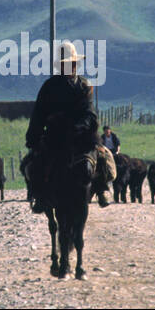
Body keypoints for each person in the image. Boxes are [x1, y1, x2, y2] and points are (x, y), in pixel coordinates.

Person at [25, 41, 103, 212]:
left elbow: (90, 114)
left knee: (104, 159)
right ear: (61, 66)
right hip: (55, 137)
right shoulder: (49, 87)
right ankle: (40, 196)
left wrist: (79, 127)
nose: (72, 66)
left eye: (73, 63)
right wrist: (33, 138)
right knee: (33, 164)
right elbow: (38, 115)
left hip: (81, 137)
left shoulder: (85, 86)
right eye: (68, 64)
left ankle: (102, 189)